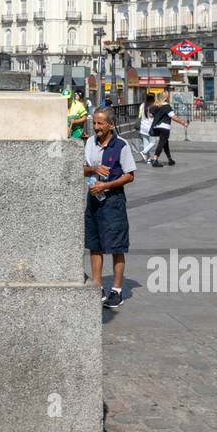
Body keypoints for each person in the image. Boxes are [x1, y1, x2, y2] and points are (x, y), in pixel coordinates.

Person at [83, 106, 136, 309]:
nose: (96, 128)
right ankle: (97, 286)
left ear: (111, 124)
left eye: (100, 124)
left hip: (113, 200)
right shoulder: (90, 143)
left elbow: (129, 175)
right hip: (93, 198)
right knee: (94, 244)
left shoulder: (121, 145)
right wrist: (93, 169)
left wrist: (105, 185)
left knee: (116, 245)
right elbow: (82, 168)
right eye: (94, 123)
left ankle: (116, 289)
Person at [149, 91, 189, 166]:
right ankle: (155, 159)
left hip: (156, 127)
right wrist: (183, 122)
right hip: (164, 127)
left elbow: (150, 115)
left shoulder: (156, 105)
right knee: (161, 143)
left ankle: (170, 159)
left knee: (165, 142)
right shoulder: (167, 107)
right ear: (167, 98)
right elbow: (173, 117)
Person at [137, 92, 157, 163]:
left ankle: (148, 159)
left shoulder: (142, 105)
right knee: (153, 142)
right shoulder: (153, 106)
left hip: (143, 127)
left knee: (146, 143)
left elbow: (139, 116)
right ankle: (144, 152)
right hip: (150, 127)